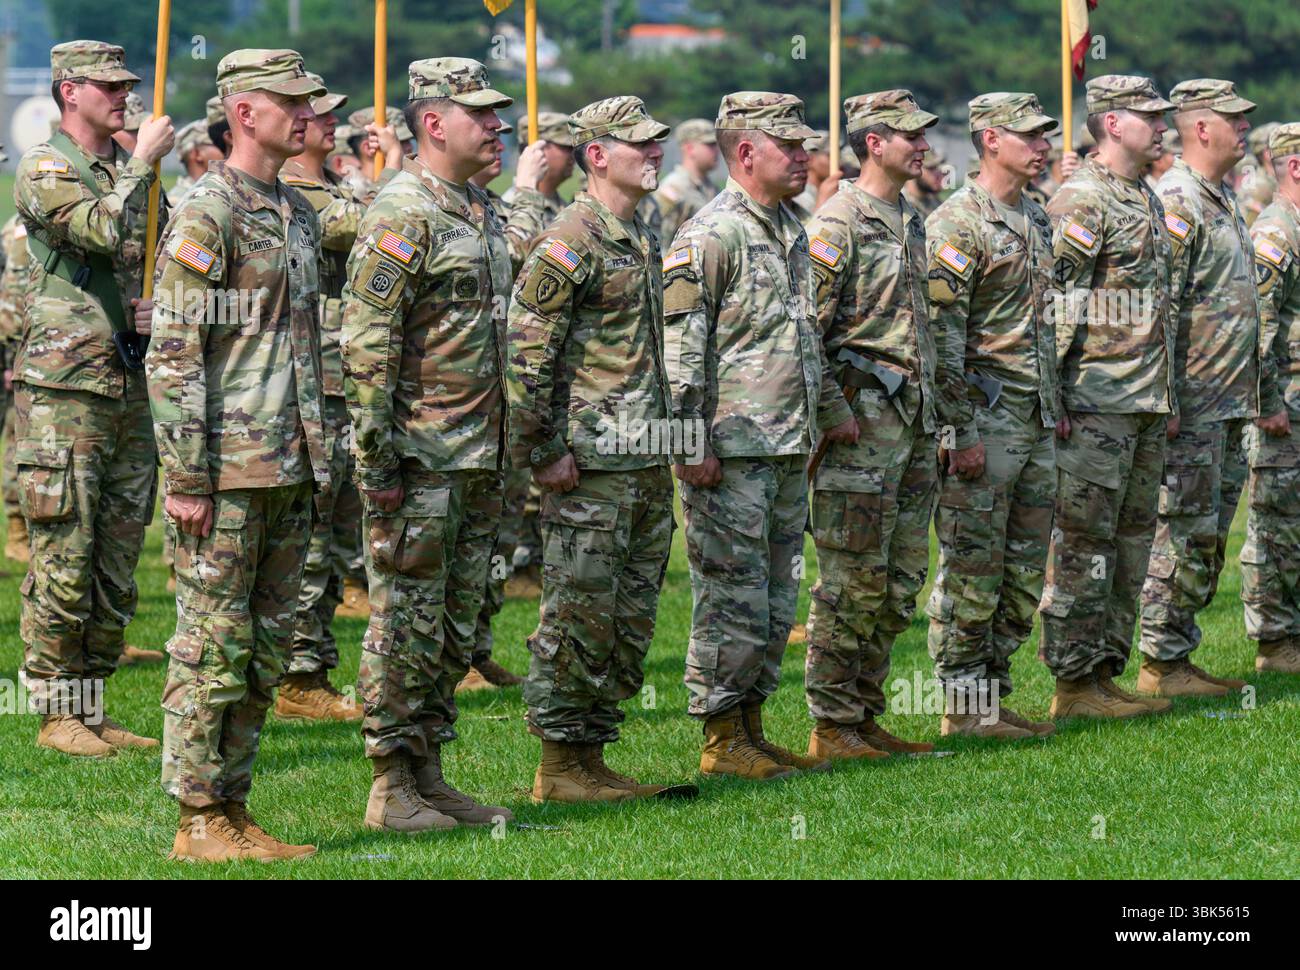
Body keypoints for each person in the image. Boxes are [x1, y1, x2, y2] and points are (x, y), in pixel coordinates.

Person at [150, 48, 330, 862]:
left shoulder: (292, 209)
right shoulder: (208, 211)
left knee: (264, 649)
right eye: (288, 100)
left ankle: (234, 805)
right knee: (210, 645)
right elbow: (174, 352)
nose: (306, 113)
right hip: (223, 470)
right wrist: (186, 475)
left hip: (288, 465)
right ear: (243, 112)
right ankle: (196, 816)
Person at [342, 56, 517, 833]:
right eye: (481, 114)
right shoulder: (403, 212)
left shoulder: (481, 209)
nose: (499, 125)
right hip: (420, 459)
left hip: (477, 455)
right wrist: (377, 463)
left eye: (498, 112)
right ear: (433, 123)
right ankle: (390, 787)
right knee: (404, 623)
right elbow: (369, 347)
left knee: (453, 625)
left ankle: (429, 771)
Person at [664, 92, 858, 780]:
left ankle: (750, 724)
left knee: (776, 601)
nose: (807, 157)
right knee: (731, 599)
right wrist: (690, 443)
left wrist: (830, 414)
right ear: (746, 153)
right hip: (732, 451)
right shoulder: (711, 235)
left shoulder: (790, 230)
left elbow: (804, 336)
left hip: (782, 446)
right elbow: (682, 353)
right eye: (791, 147)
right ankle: (721, 737)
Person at [508, 95, 692, 801]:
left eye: (657, 144)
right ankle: (558, 765)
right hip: (589, 462)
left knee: (628, 615)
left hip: (642, 458)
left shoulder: (635, 233)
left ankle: (591, 753)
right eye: (639, 145)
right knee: (580, 612)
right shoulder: (571, 239)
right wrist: (543, 449)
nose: (655, 155)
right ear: (596, 156)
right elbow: (528, 356)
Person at [14, 40, 173, 757]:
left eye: (127, 84)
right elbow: (103, 231)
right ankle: (54, 710)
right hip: (65, 389)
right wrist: (143, 161)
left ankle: (93, 701)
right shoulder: (47, 169)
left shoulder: (126, 172)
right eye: (108, 86)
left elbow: (150, 255)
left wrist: (154, 304)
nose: (124, 96)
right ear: (69, 91)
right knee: (65, 547)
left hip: (125, 378)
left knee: (116, 554)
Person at [802, 89, 939, 760]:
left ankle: (864, 713)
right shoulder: (838, 224)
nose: (922, 144)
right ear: (873, 143)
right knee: (852, 580)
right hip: (860, 431)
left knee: (899, 578)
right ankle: (832, 723)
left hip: (910, 428)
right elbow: (807, 334)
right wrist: (834, 415)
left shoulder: (911, 220)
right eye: (908, 134)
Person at [1039, 75, 1178, 718]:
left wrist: (1166, 394)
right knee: (1082, 542)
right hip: (1094, 400)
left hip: (1142, 399)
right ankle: (1072, 682)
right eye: (1150, 116)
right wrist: (1054, 399)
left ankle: (1103, 672)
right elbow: (1057, 308)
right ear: (1114, 123)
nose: (1163, 125)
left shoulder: (1142, 194)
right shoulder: (1081, 200)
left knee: (1130, 542)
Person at [923, 93, 1060, 739]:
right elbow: (941, 340)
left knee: (1023, 569)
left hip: (1035, 419)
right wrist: (959, 431)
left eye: (1045, 136)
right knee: (973, 567)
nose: (1043, 146)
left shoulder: (1034, 216)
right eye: (1029, 136)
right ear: (989, 139)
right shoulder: (957, 223)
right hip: (986, 420)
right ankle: (960, 705)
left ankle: (993, 696)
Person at [1137, 79, 1278, 696]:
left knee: (1205, 536)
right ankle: (1160, 663)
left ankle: (1176, 655)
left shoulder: (1216, 198)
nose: (1245, 127)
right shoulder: (1176, 201)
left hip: (1223, 403)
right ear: (1200, 128)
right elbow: (1158, 307)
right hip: (1190, 405)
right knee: (1181, 532)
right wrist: (1164, 395)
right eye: (1233, 118)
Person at [274, 73, 401, 721]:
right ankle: (298, 672)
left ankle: (307, 663)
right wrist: (398, 172)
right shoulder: (296, 192)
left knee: (335, 522)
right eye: (319, 113)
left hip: (343, 377)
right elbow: (373, 227)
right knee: (314, 530)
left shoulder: (326, 188)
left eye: (330, 112)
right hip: (315, 379)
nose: (328, 121)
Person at [1242, 122, 1300, 677]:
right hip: (1283, 405)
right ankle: (1275, 644)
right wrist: (1266, 402)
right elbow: (1257, 327)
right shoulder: (1276, 232)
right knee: (1276, 522)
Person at [651, 118, 720, 243]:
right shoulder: (673, 189)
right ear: (689, 148)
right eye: (710, 144)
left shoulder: (711, 188)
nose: (716, 150)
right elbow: (661, 242)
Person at [170, 120, 222, 208]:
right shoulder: (177, 203)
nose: (228, 150)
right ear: (196, 154)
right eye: (220, 144)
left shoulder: (219, 193)